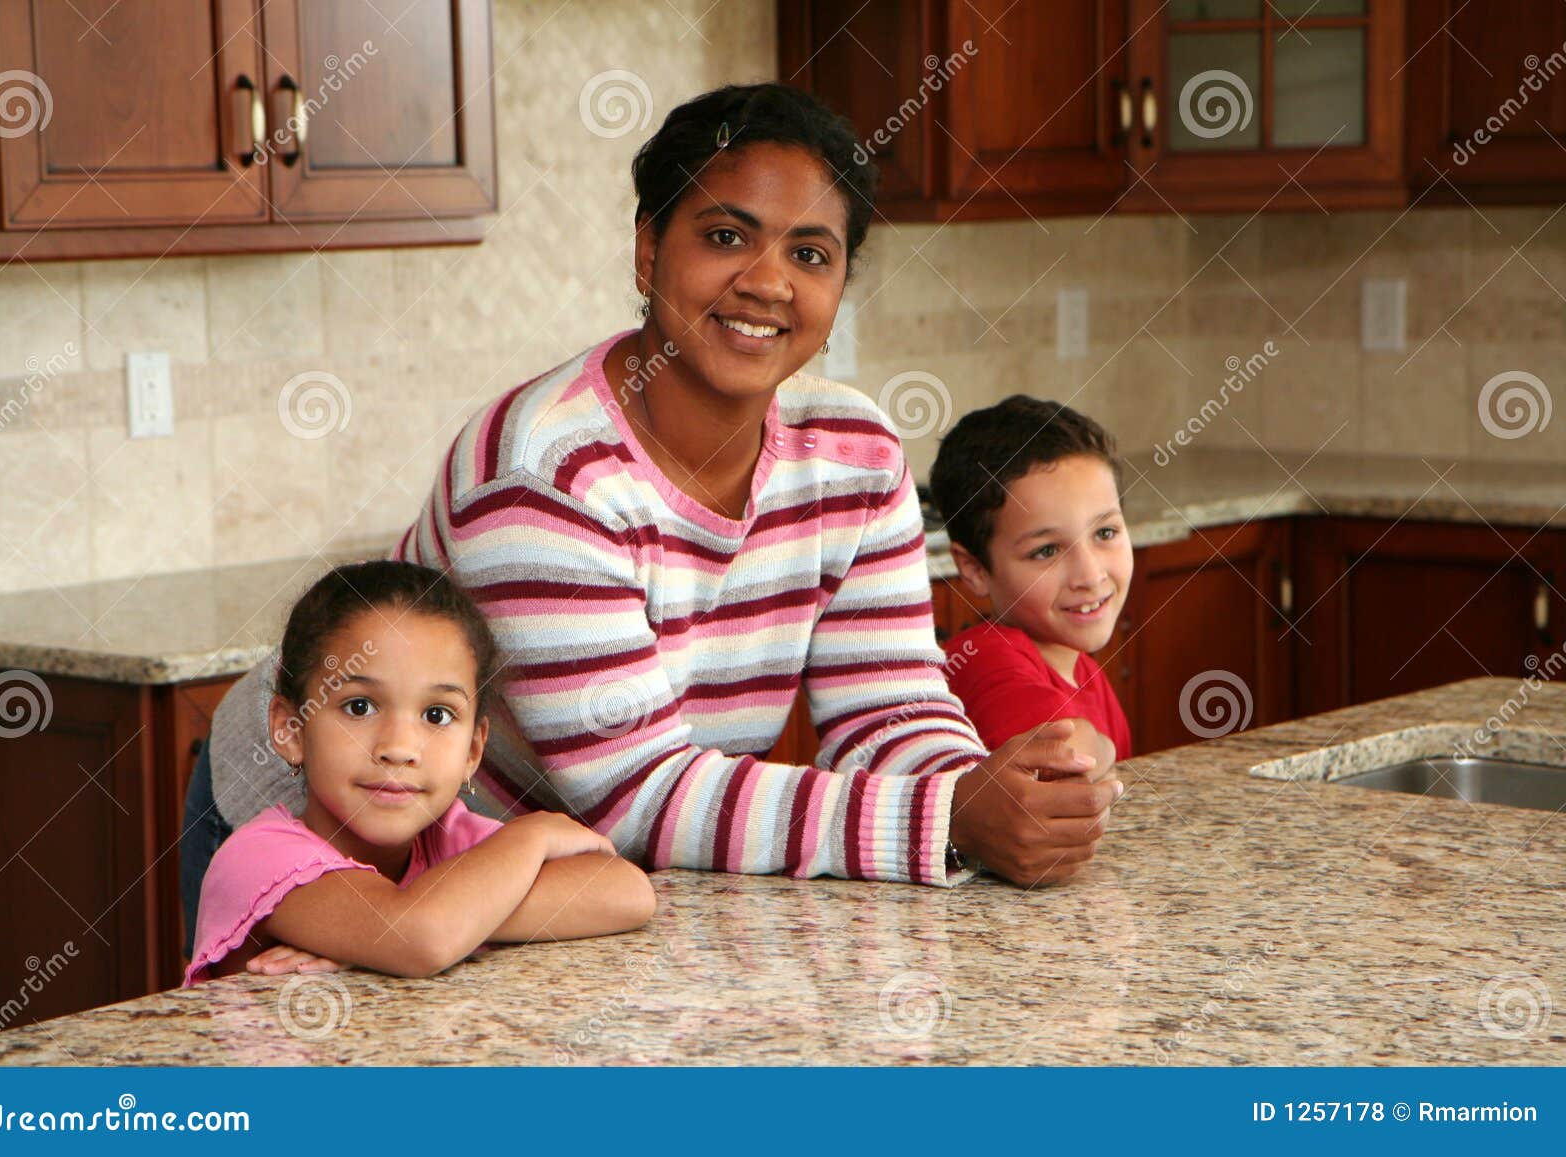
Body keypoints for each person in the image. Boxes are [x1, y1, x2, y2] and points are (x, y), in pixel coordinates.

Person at [182, 84, 1123, 961]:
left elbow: (889, 706)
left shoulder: (858, 451)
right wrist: (950, 819)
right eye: (725, 236)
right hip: (336, 820)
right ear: (648, 250)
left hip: (548, 868)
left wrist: (998, 792)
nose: (768, 282)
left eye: (810, 253)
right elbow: (635, 793)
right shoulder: (543, 473)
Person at [183, 561, 654, 986]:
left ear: (473, 749)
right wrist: (535, 835)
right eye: (359, 706)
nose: (399, 748)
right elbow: (421, 938)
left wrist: (385, 936)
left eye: (436, 715)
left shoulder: (450, 837)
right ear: (291, 728)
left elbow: (627, 892)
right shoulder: (256, 858)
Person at [930, 397, 1134, 763]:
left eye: (1105, 533)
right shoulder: (981, 657)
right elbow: (1070, 757)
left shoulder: (1082, 669)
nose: (1090, 575)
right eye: (1046, 551)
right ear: (975, 569)